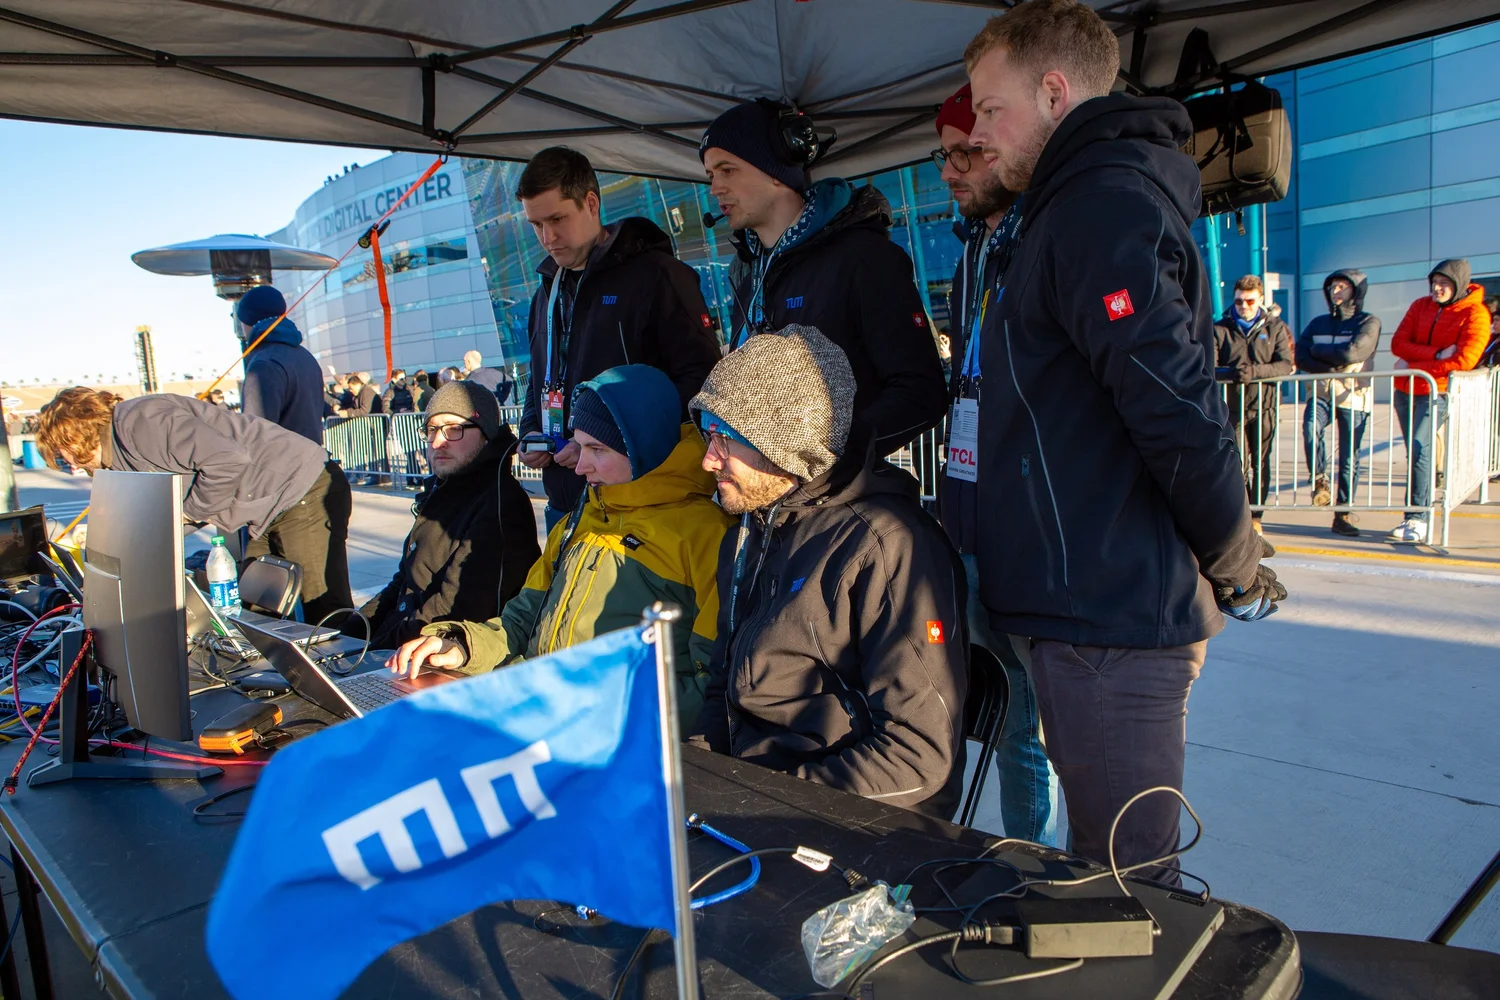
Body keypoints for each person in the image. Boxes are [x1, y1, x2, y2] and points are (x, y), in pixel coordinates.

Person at [964, 0, 1284, 879]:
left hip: (1109, 614)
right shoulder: (1072, 204)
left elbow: (1175, 408)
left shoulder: (1099, 206)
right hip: (1088, 603)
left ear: (1055, 91)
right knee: (1103, 873)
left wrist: (1236, 559)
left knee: (1127, 889)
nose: (979, 132)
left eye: (991, 109)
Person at [686, 327, 968, 819]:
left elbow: (918, 754)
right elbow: (722, 693)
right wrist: (690, 776)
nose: (708, 459)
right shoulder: (752, 531)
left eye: (725, 437)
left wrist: (766, 804)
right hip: (758, 800)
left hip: (853, 825)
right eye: (708, 433)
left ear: (788, 443)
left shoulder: (885, 546)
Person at [388, 365, 731, 733]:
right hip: (536, 718)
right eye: (579, 447)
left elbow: (710, 685)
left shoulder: (706, 535)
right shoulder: (577, 522)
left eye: (596, 449)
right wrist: (461, 646)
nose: (580, 466)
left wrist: (596, 707)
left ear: (641, 448)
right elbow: (520, 622)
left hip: (617, 744)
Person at [933, 83, 1057, 842]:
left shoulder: (1047, 241)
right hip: (970, 521)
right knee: (1006, 716)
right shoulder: (975, 251)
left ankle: (1054, 869)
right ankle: (1019, 857)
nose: (951, 170)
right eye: (944, 154)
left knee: (1050, 728)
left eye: (967, 152)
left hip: (1038, 534)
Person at [701, 102, 947, 454]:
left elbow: (921, 393)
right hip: (767, 501)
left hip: (844, 500)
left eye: (727, 170)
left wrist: (828, 459)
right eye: (711, 175)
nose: (715, 188)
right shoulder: (746, 275)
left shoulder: (863, 258)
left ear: (775, 171)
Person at [514, 147, 721, 530]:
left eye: (557, 218)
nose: (547, 237)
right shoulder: (545, 292)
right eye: (536, 225)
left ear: (590, 203)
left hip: (641, 502)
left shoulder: (657, 275)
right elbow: (539, 380)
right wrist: (530, 431)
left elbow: (701, 381)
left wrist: (603, 439)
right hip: (563, 500)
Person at [35, 387, 354, 623]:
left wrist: (188, 513)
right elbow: (178, 498)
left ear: (73, 433)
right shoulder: (118, 452)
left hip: (303, 487)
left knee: (323, 606)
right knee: (255, 606)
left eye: (63, 453)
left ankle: (360, 690)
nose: (69, 464)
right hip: (266, 503)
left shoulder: (140, 422)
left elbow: (227, 461)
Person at [357, 381, 539, 649]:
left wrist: (374, 652)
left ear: (485, 433)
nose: (438, 442)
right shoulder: (442, 489)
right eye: (432, 430)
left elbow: (455, 606)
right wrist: (347, 634)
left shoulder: (500, 504)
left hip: (444, 657)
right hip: (404, 643)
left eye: (454, 429)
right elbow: (403, 583)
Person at [1388, 258, 1490, 543]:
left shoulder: (1476, 313)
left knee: (1422, 450)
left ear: (1459, 285)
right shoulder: (1420, 305)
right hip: (1405, 389)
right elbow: (1398, 343)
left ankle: (1417, 517)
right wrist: (1435, 355)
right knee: (1416, 454)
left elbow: (1465, 360)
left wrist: (1413, 363)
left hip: (1438, 392)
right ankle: (1416, 511)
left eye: (1444, 283)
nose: (1437, 288)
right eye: (1435, 282)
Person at [1296, 269, 1381, 537]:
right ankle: (1320, 481)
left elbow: (1353, 351)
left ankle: (1343, 513)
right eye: (1332, 286)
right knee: (1311, 427)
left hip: (1353, 396)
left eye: (1342, 286)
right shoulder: (1317, 323)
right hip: (1321, 392)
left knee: (1348, 457)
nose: (1336, 291)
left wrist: (1319, 352)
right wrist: (1334, 363)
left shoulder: (1368, 322)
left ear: (1355, 291)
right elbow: (1301, 356)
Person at [1212, 275, 1294, 534]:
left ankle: (1256, 514)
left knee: (1260, 462)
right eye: (1238, 301)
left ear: (1260, 299)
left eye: (1249, 301)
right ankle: (1239, 515)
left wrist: (1254, 373)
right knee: (1236, 463)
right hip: (1232, 407)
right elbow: (1209, 366)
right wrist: (1231, 373)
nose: (1243, 306)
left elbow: (1285, 364)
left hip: (1264, 405)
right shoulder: (1220, 328)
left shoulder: (1275, 327)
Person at [235, 284, 326, 444]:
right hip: (312, 460)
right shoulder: (304, 356)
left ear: (246, 320)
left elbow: (255, 433)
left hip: (282, 465)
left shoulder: (264, 364)